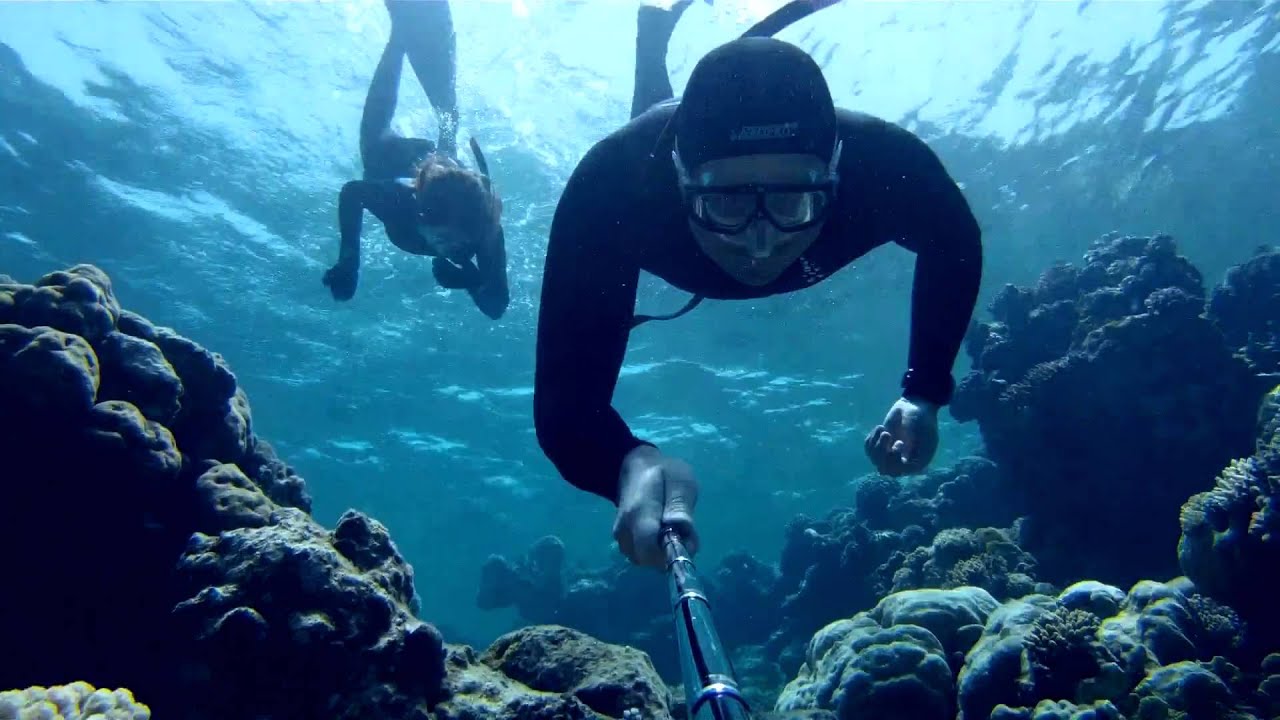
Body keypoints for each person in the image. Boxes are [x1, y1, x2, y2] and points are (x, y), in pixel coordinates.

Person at [533, 6, 983, 570]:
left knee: (667, 120)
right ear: (679, 182)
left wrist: (925, 389)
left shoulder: (886, 165)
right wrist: (629, 464)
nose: (762, 244)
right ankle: (653, 44)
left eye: (795, 203)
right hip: (649, 152)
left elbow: (956, 240)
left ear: (839, 177)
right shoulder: (614, 189)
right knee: (651, 114)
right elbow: (564, 408)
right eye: (726, 204)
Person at [323, 0, 509, 320]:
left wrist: (472, 281)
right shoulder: (401, 199)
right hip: (397, 160)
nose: (449, 248)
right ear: (420, 216)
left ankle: (403, 34)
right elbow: (353, 191)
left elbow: (497, 307)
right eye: (443, 238)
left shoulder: (484, 229)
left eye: (454, 240)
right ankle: (402, 37)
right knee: (380, 136)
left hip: (442, 171)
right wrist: (349, 260)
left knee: (436, 142)